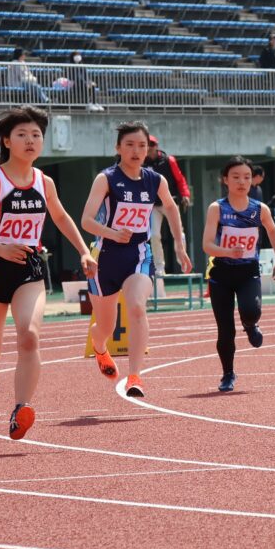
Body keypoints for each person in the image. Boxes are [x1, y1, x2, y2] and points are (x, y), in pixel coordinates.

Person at [0, 107, 97, 439]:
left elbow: (60, 218)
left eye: (36, 135)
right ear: (7, 141)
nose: (31, 140)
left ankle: (21, 409)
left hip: (29, 271)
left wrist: (84, 251)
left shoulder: (43, 182)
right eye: (22, 135)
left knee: (29, 337)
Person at [80, 121, 191, 399]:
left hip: (138, 255)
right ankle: (100, 346)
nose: (136, 151)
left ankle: (135, 378)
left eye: (142, 145)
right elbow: (86, 221)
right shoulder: (105, 179)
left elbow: (171, 208)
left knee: (137, 308)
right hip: (104, 257)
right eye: (129, 145)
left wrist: (179, 245)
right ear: (118, 148)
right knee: (105, 325)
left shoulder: (156, 180)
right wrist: (112, 233)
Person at [202, 156, 275, 392]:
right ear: (225, 180)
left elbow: (273, 231)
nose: (242, 182)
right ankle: (228, 374)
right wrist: (228, 250)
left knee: (251, 311)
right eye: (236, 177)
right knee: (225, 330)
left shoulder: (259, 209)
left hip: (248, 272)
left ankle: (250, 325)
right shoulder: (217, 208)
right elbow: (207, 245)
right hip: (221, 274)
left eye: (247, 177)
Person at [146, 134, 191, 274]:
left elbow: (180, 179)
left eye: (152, 145)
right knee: (153, 235)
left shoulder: (168, 160)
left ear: (156, 146)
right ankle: (159, 267)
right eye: (147, 145)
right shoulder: (142, 163)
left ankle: (183, 261)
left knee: (178, 234)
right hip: (153, 205)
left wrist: (185, 194)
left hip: (170, 203)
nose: (149, 148)